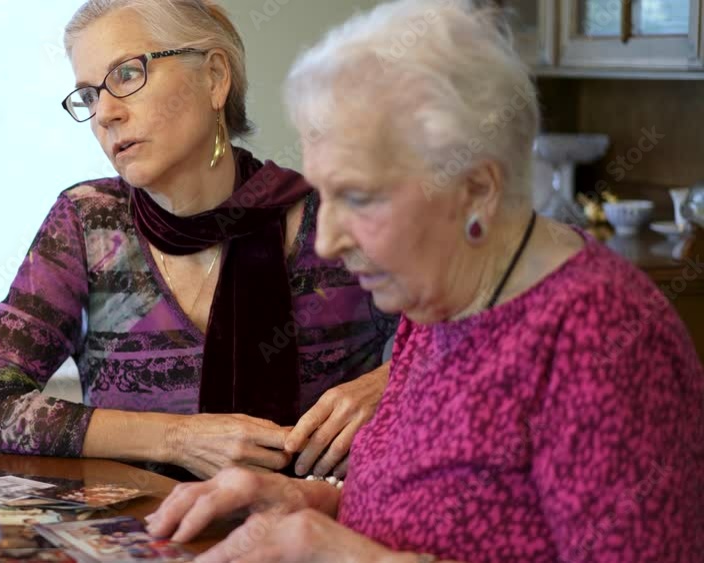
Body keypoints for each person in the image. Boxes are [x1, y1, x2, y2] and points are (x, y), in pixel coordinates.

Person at [145, 0, 704, 560]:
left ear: (477, 189)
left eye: (359, 197)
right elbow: (438, 515)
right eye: (325, 195)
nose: (327, 240)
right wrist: (301, 500)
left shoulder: (601, 338)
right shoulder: (440, 300)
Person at [0, 0, 398, 480]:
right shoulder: (89, 224)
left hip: (309, 537)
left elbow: (472, 339)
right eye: (89, 95)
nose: (105, 114)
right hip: (138, 541)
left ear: (214, 78)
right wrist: (179, 439)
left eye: (126, 75)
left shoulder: (333, 217)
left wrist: (389, 383)